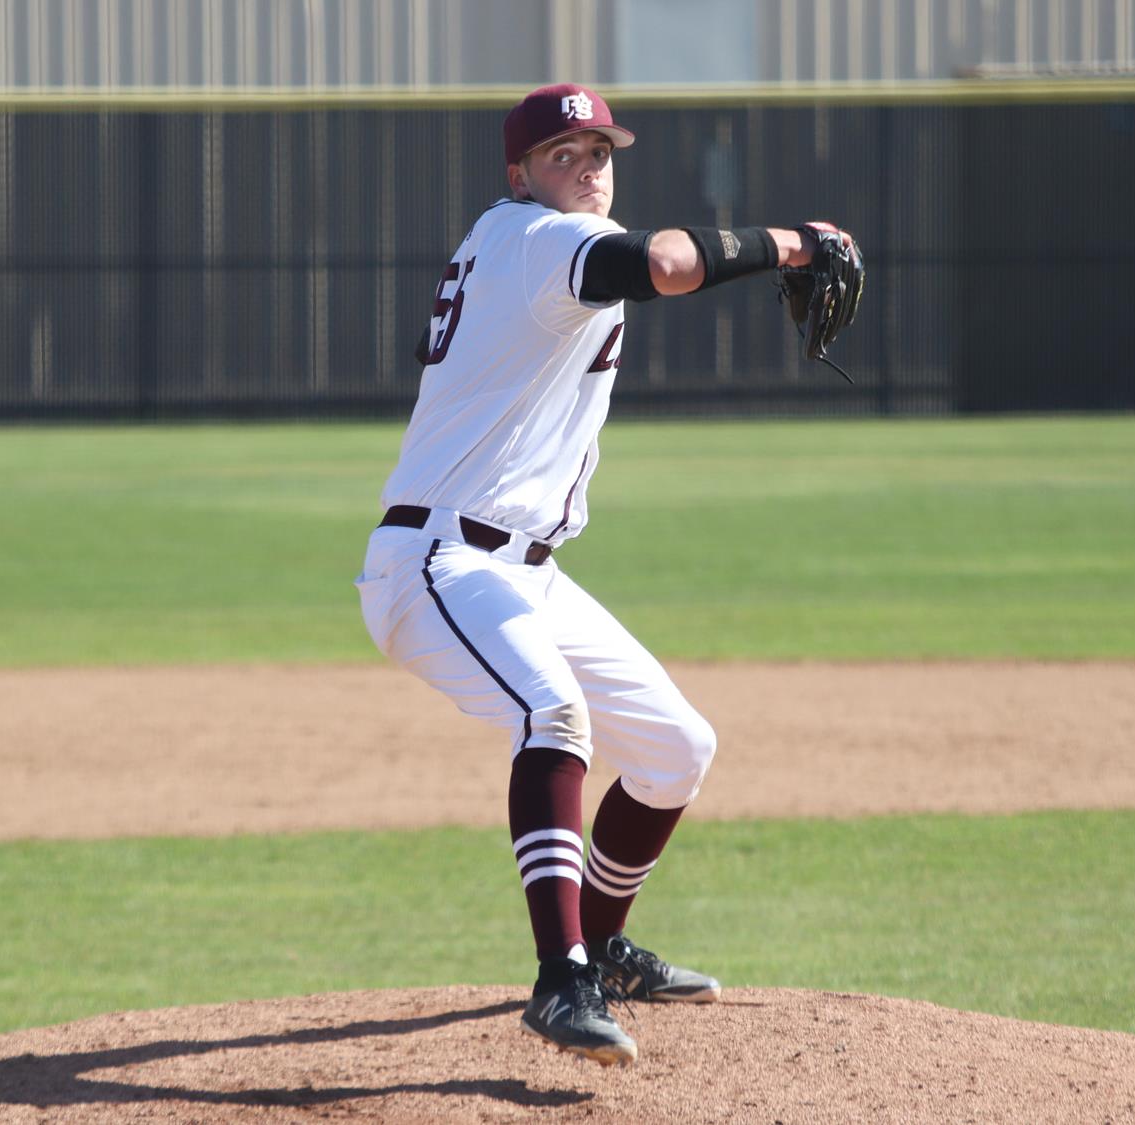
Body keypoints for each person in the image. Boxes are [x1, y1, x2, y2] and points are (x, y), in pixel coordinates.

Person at [355, 82, 860, 1066]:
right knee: (552, 715)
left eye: (598, 151)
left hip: (521, 568)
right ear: (519, 175)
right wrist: (794, 243)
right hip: (439, 560)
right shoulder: (536, 237)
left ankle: (602, 945)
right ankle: (561, 980)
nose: (587, 167)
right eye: (563, 155)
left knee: (676, 747)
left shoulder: (531, 240)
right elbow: (665, 263)